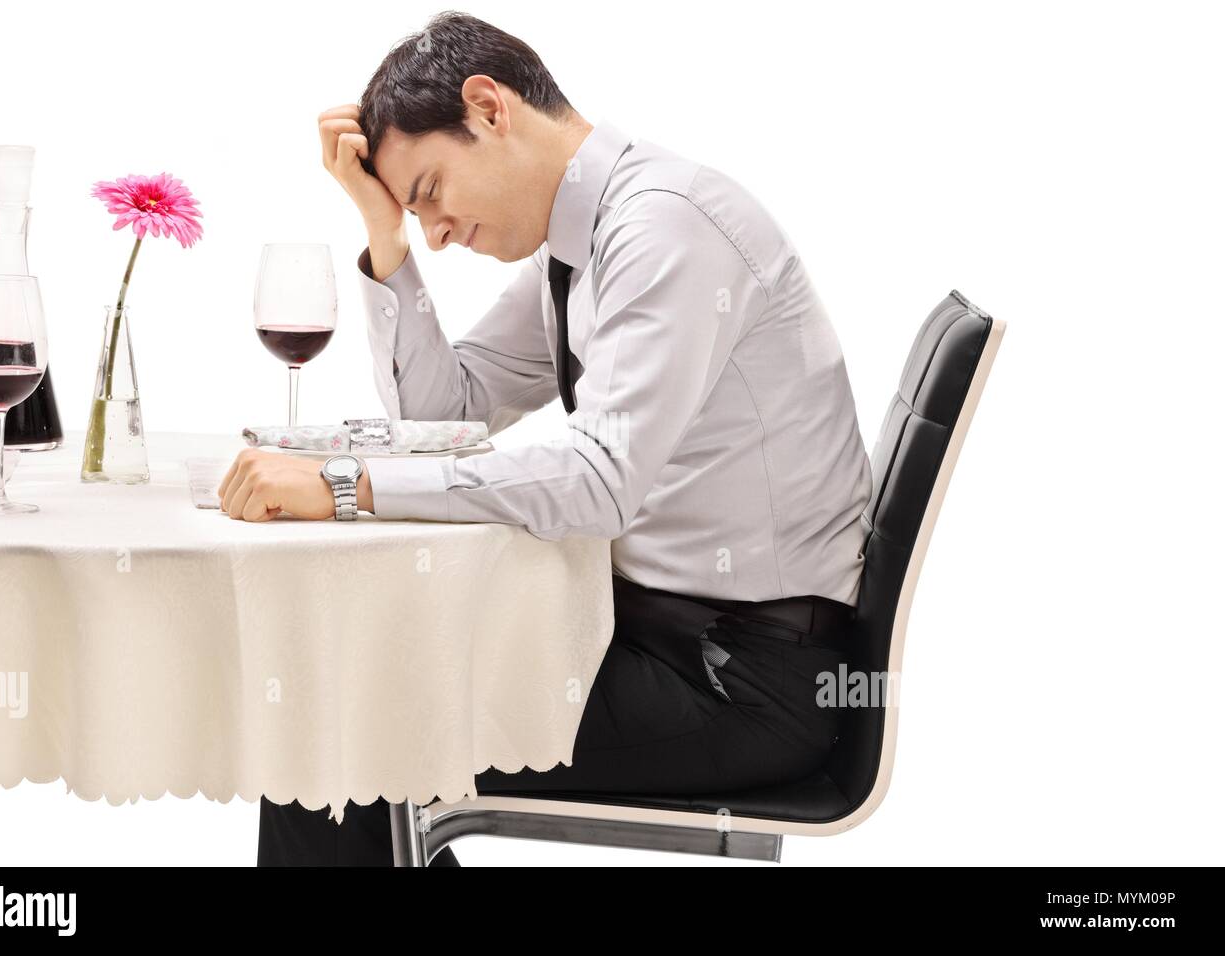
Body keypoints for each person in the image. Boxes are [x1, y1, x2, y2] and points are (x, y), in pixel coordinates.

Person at [220, 11, 873, 866]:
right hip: (656, 639)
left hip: (739, 684)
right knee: (329, 714)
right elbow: (448, 414)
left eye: (429, 195)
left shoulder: (663, 228)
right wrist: (385, 235)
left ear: (488, 108)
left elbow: (601, 480)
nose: (439, 233)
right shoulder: (578, 246)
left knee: (332, 749)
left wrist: (345, 485)